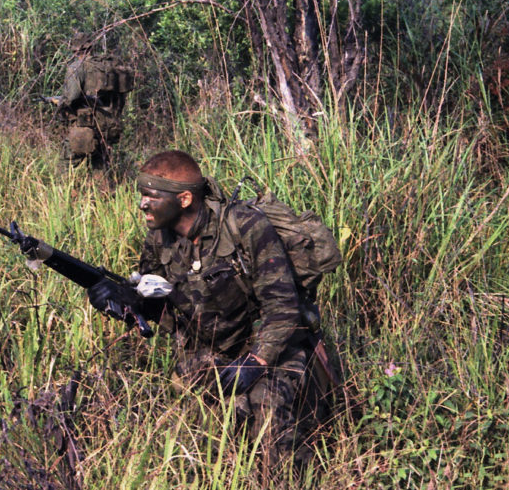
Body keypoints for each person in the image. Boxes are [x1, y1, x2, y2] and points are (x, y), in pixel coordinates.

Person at [87, 150, 334, 468]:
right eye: (142, 195)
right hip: (209, 352)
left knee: (268, 411)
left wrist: (256, 362)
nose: (142, 204)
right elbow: (155, 306)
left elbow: (283, 307)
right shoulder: (158, 240)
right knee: (202, 439)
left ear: (185, 199)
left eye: (151, 196)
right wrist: (118, 301)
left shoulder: (245, 226)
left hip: (272, 346)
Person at [54, 33, 132, 169]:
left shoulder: (77, 67)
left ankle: (59, 190)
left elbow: (72, 96)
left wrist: (60, 102)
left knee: (65, 162)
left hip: (86, 122)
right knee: (100, 164)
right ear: (91, 47)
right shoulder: (106, 67)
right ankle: (103, 190)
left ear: (75, 50)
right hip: (109, 123)